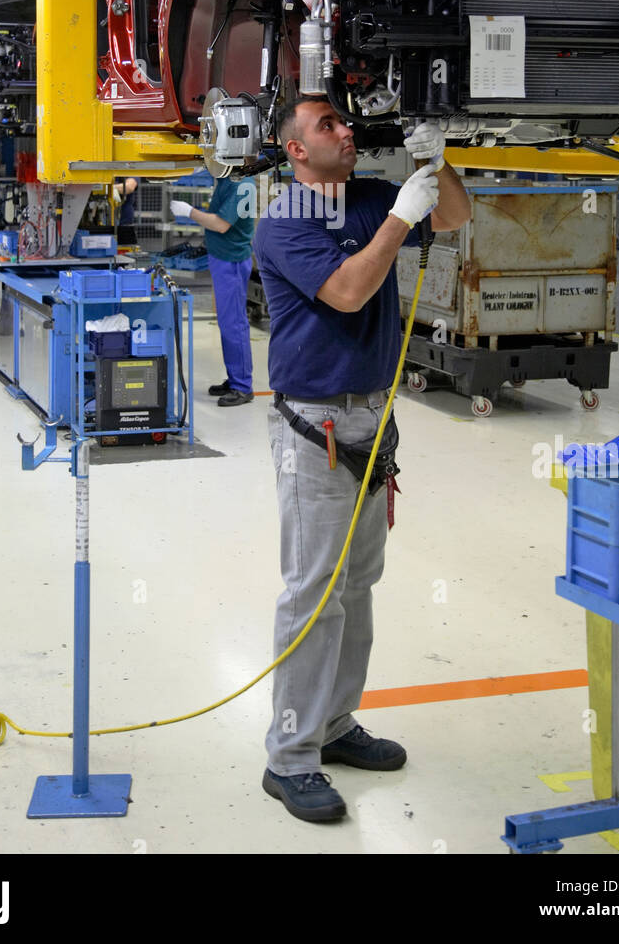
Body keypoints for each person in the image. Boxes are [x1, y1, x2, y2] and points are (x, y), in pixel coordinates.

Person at [253, 96, 471, 823]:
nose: (346, 132)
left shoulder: (371, 197)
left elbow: (453, 218)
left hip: (374, 422)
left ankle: (337, 724)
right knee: (313, 593)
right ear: (294, 150)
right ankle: (289, 758)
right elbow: (348, 292)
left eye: (346, 122)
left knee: (357, 585)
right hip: (315, 427)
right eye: (327, 126)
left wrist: (435, 160)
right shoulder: (285, 219)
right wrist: (402, 215)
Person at [170, 175, 256, 406]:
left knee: (234, 323)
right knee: (227, 322)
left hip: (232, 261)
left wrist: (189, 212)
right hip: (222, 259)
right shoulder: (227, 180)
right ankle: (235, 379)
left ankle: (242, 387)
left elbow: (221, 224)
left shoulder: (242, 185)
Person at [113, 177, 139, 247]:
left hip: (124, 227)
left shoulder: (128, 169)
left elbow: (129, 187)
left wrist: (107, 188)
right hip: (101, 227)